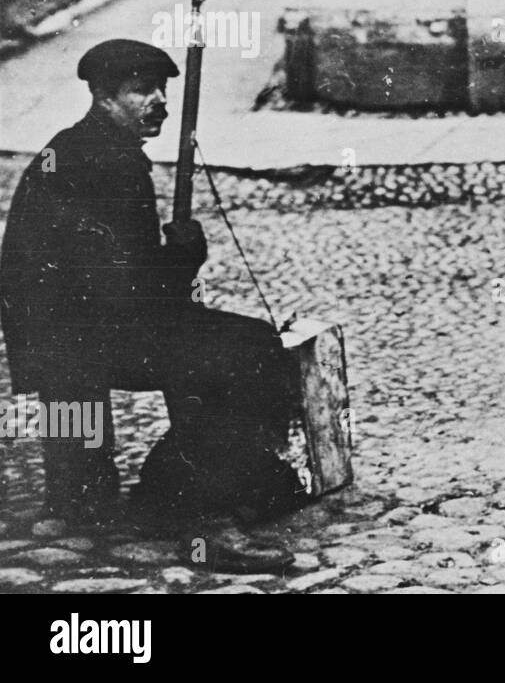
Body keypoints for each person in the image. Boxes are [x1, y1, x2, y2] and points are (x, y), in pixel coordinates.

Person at [0, 39, 300, 572]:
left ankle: (136, 490)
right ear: (102, 97)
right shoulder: (103, 164)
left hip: (65, 333)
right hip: (83, 337)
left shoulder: (80, 149)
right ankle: (194, 511)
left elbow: (115, 279)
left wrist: (168, 265)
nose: (158, 101)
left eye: (161, 89)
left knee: (230, 339)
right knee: (248, 350)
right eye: (141, 90)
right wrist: (182, 257)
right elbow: (127, 289)